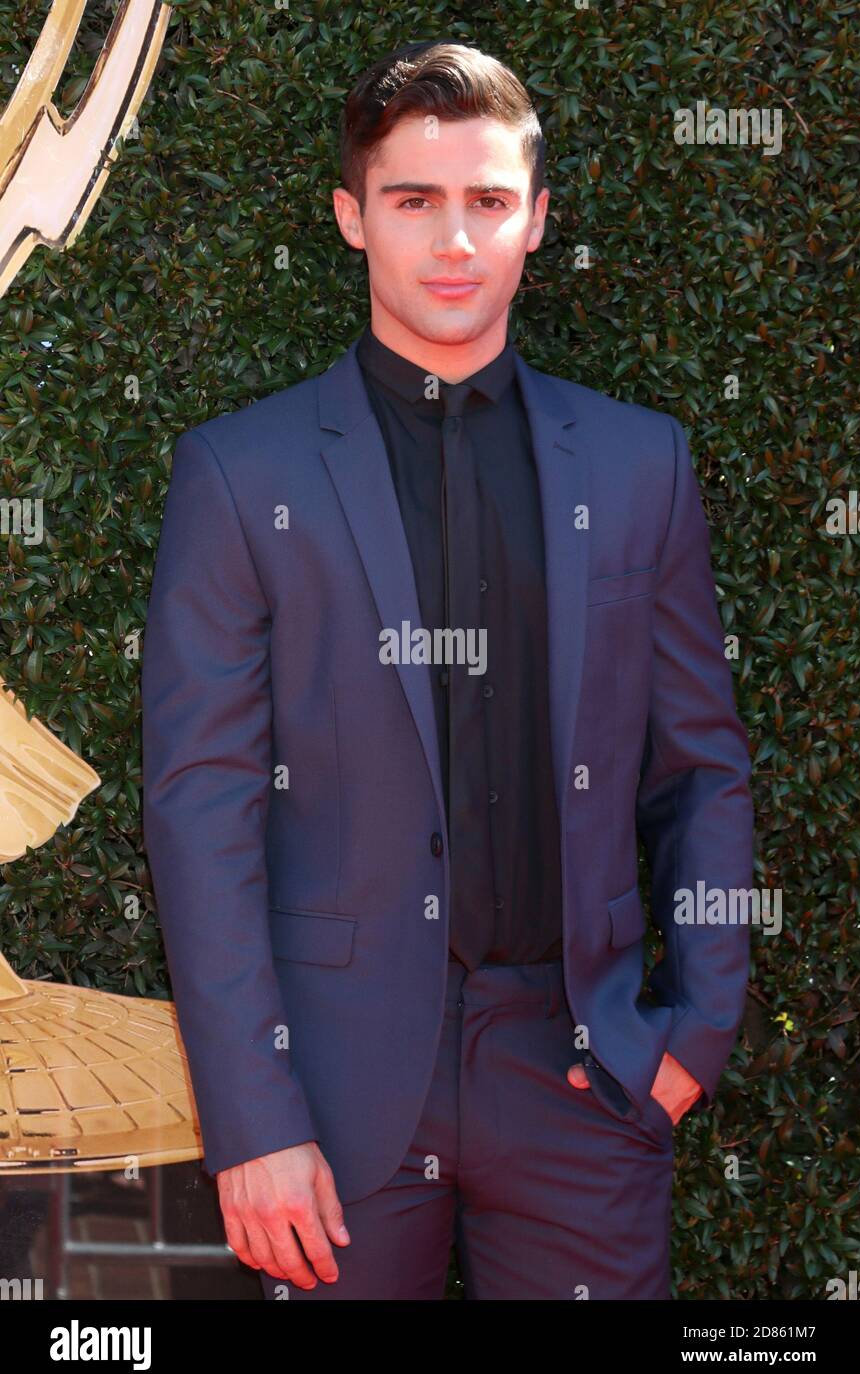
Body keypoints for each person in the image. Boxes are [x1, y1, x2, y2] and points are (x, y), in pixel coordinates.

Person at [141, 39, 754, 1300]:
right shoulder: (240, 474)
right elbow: (200, 810)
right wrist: (252, 1118)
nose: (453, 239)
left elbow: (699, 768)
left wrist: (693, 1030)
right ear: (352, 219)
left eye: (485, 200)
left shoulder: (643, 468)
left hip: (580, 1074)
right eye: (414, 200)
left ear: (535, 219)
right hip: (331, 1085)